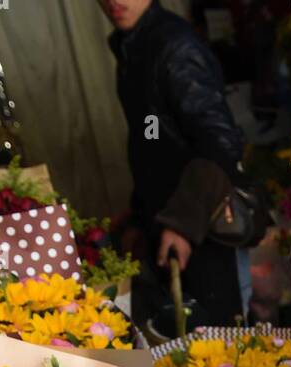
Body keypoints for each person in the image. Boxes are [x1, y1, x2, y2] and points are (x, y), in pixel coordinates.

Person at [98, 0, 247, 327]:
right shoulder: (132, 44)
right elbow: (149, 144)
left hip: (203, 229)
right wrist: (138, 214)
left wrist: (181, 222)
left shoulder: (173, 44)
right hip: (167, 223)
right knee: (178, 347)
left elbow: (221, 143)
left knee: (218, 354)